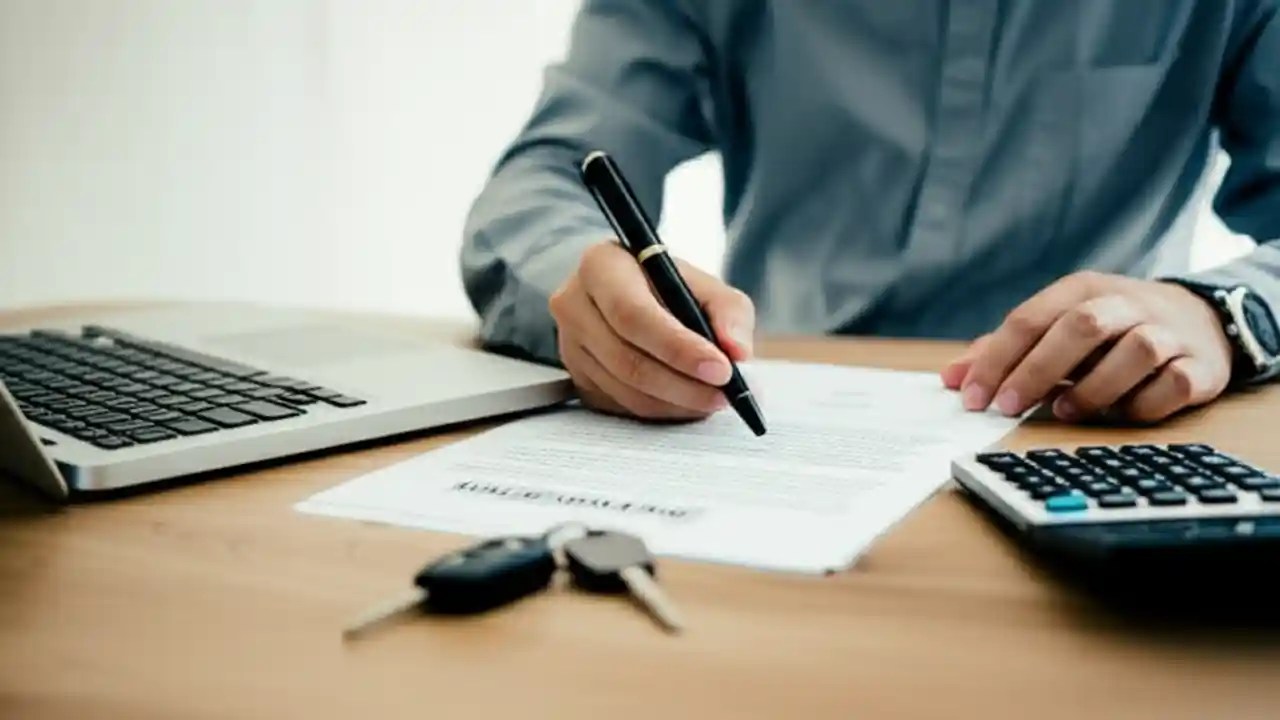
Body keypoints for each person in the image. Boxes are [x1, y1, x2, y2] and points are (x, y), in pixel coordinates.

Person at [460, 1, 1280, 425]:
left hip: (1086, 419)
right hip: (774, 404)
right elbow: (546, 179)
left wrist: (1221, 315)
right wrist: (581, 286)